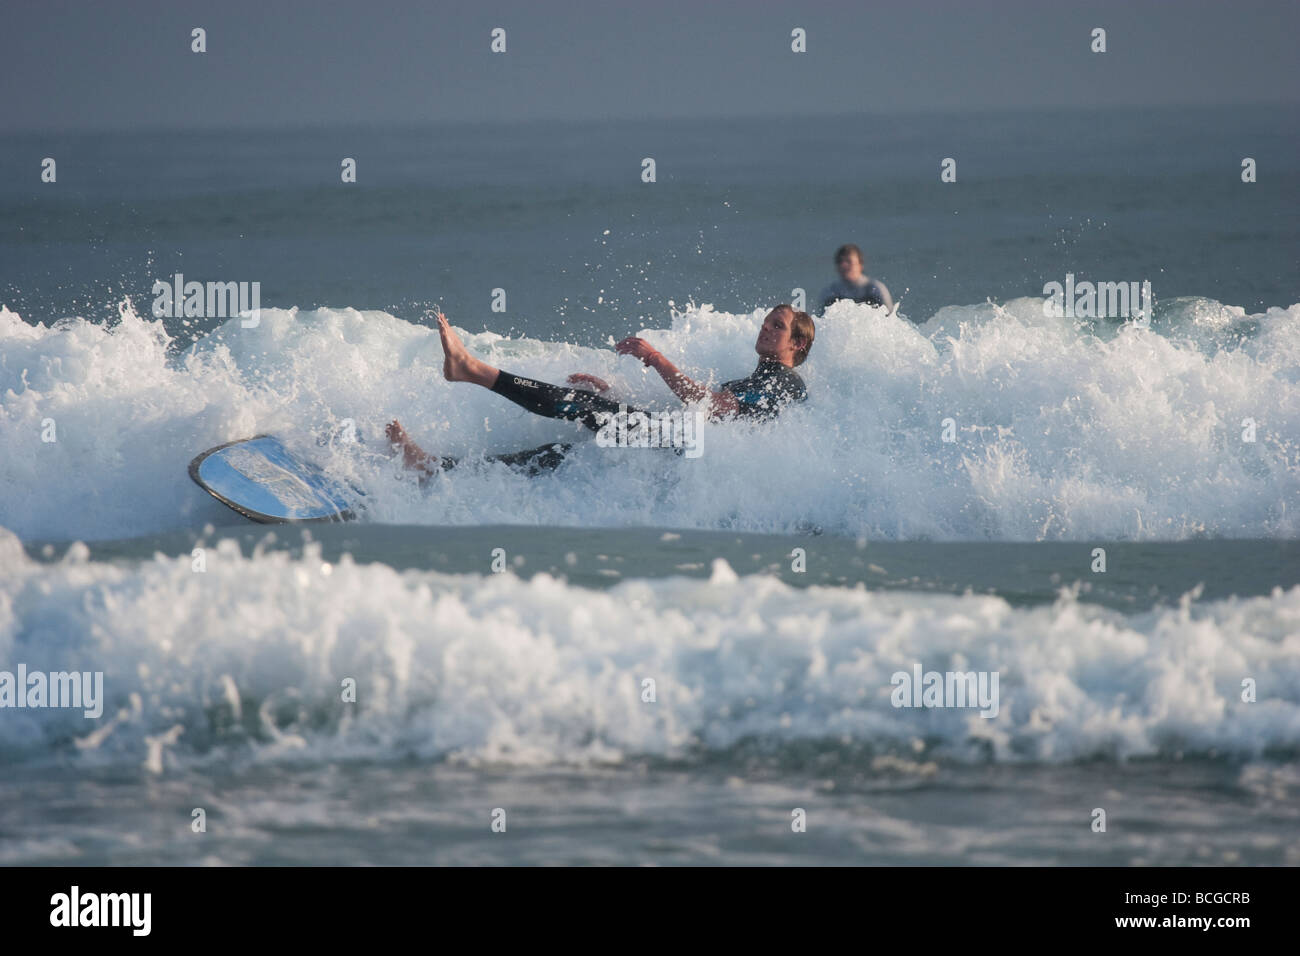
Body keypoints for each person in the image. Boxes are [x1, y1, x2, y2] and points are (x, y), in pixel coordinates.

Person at [387, 305, 814, 477]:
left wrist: (657, 358)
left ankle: (470, 369)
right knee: (559, 458)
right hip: (680, 449)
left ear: (798, 344)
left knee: (583, 407)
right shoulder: (755, 381)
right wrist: (617, 392)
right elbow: (702, 412)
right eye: (766, 320)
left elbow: (713, 410)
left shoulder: (783, 381)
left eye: (778, 325)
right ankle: (435, 469)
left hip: (687, 449)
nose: (766, 328)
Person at [819, 243, 894, 313]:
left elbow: (890, 317)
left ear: (860, 265)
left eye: (848, 261)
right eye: (840, 261)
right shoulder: (830, 292)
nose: (844, 265)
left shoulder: (875, 289)